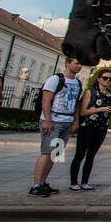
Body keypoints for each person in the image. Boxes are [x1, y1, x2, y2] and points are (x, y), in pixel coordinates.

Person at [31, 57, 84, 197]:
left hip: (67, 120)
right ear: (67, 63)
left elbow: (76, 103)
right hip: (53, 121)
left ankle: (43, 182)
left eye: (80, 64)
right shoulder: (55, 79)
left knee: (55, 155)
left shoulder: (78, 82)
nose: (79, 66)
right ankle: (36, 185)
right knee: (47, 152)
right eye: (76, 63)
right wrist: (48, 120)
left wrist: (76, 121)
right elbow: (46, 99)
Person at [70, 68, 111, 190]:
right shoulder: (90, 92)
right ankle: (74, 183)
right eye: (105, 78)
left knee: (91, 156)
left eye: (110, 79)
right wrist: (100, 109)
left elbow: (108, 109)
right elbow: (82, 111)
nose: (108, 81)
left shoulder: (109, 94)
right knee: (79, 155)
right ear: (98, 79)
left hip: (101, 127)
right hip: (87, 127)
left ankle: (85, 182)